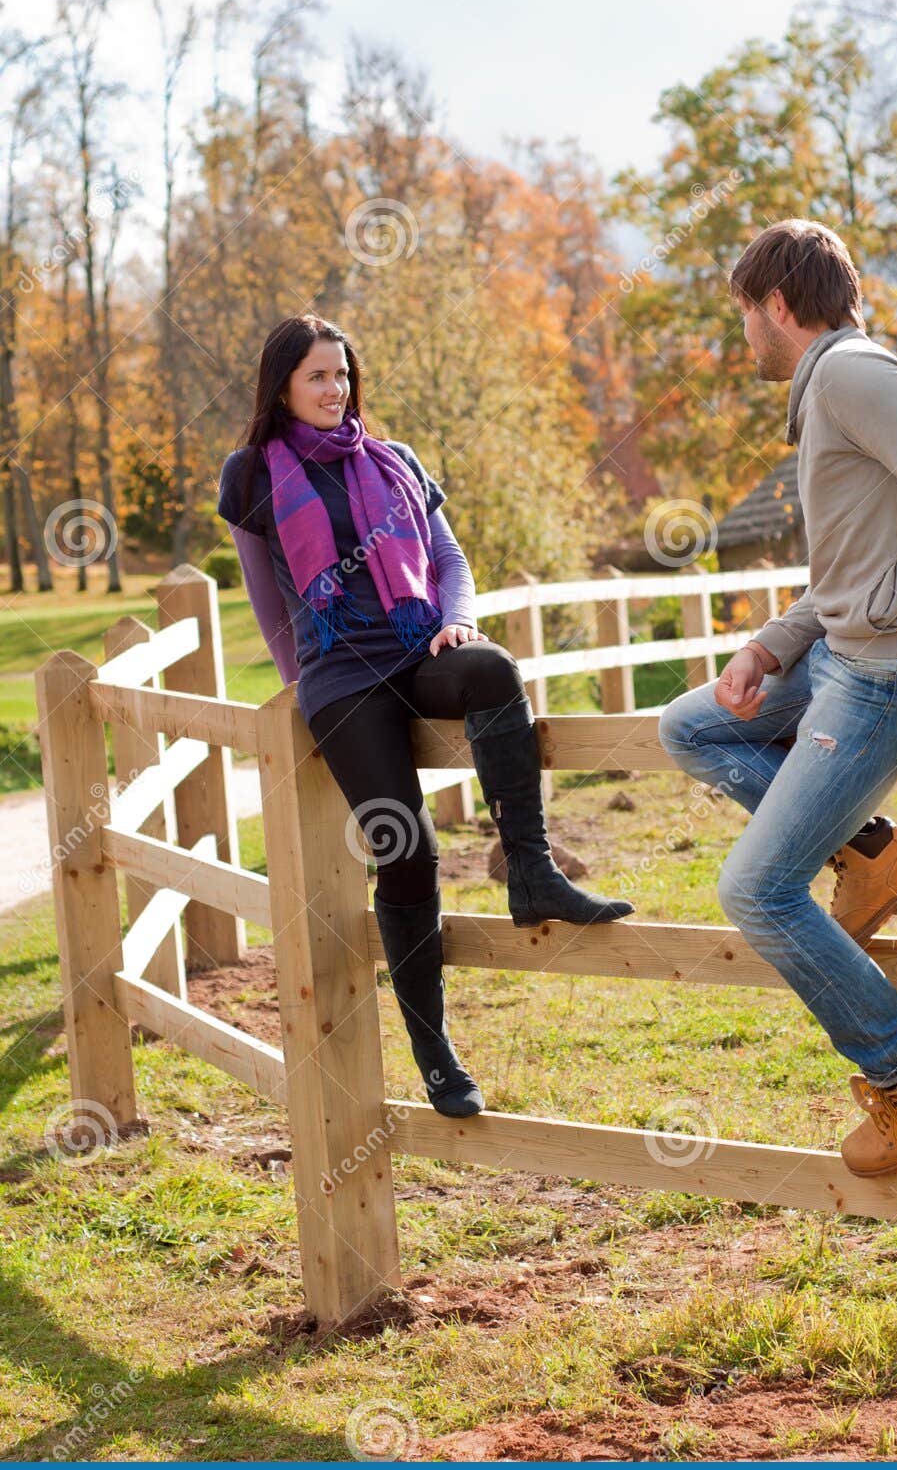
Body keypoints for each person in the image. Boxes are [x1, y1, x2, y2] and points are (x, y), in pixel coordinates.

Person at [659, 220, 897, 1177]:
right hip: (838, 655)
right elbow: (859, 562)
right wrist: (770, 646)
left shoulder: (851, 375)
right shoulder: (831, 390)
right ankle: (873, 857)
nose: (744, 338)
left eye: (743, 315)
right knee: (688, 726)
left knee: (756, 890)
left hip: (882, 676)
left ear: (777, 306)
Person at [218, 313, 633, 1120]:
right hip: (342, 677)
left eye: (342, 374)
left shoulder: (394, 460)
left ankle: (532, 871)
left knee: (492, 671)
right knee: (407, 848)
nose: (335, 390)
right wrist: (297, 678)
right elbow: (265, 594)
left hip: (418, 647)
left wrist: (458, 617)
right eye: (317, 377)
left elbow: (448, 557)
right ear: (283, 387)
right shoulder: (252, 472)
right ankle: (435, 1052)